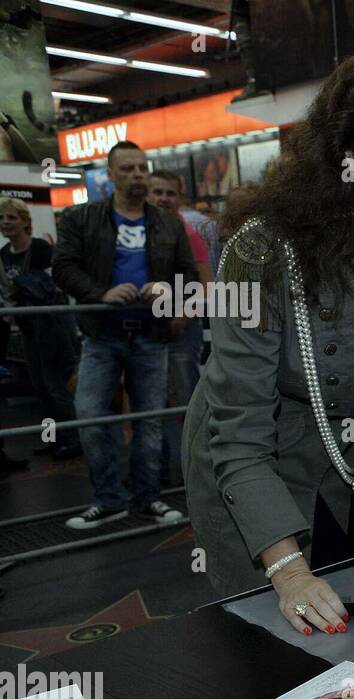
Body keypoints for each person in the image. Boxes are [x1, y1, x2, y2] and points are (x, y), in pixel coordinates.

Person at [182, 51, 354, 627]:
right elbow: (238, 434)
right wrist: (286, 570)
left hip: (346, 464)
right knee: (264, 642)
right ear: (346, 154)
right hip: (251, 467)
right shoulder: (262, 251)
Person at [52, 140, 198, 530]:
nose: (137, 175)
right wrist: (100, 292)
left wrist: (167, 292)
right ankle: (109, 499)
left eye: (142, 168)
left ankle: (148, 497)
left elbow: (187, 273)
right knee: (90, 414)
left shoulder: (167, 222)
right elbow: (63, 266)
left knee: (150, 419)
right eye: (128, 169)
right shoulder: (83, 218)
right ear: (111, 174)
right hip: (101, 332)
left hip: (150, 332)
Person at [0, 198, 81, 463]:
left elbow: (52, 287)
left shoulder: (40, 248)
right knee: (40, 387)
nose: (6, 223)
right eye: (2, 219)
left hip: (50, 326)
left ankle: (71, 439)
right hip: (27, 328)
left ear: (24, 221)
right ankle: (52, 438)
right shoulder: (4, 254)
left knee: (55, 384)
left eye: (11, 218)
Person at [148, 170, 212, 481]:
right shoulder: (139, 231)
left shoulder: (189, 234)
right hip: (147, 332)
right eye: (157, 192)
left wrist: (182, 317)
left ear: (179, 197)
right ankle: (158, 470)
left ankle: (192, 469)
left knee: (187, 402)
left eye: (169, 193)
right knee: (151, 404)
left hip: (181, 331)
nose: (163, 198)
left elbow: (206, 284)